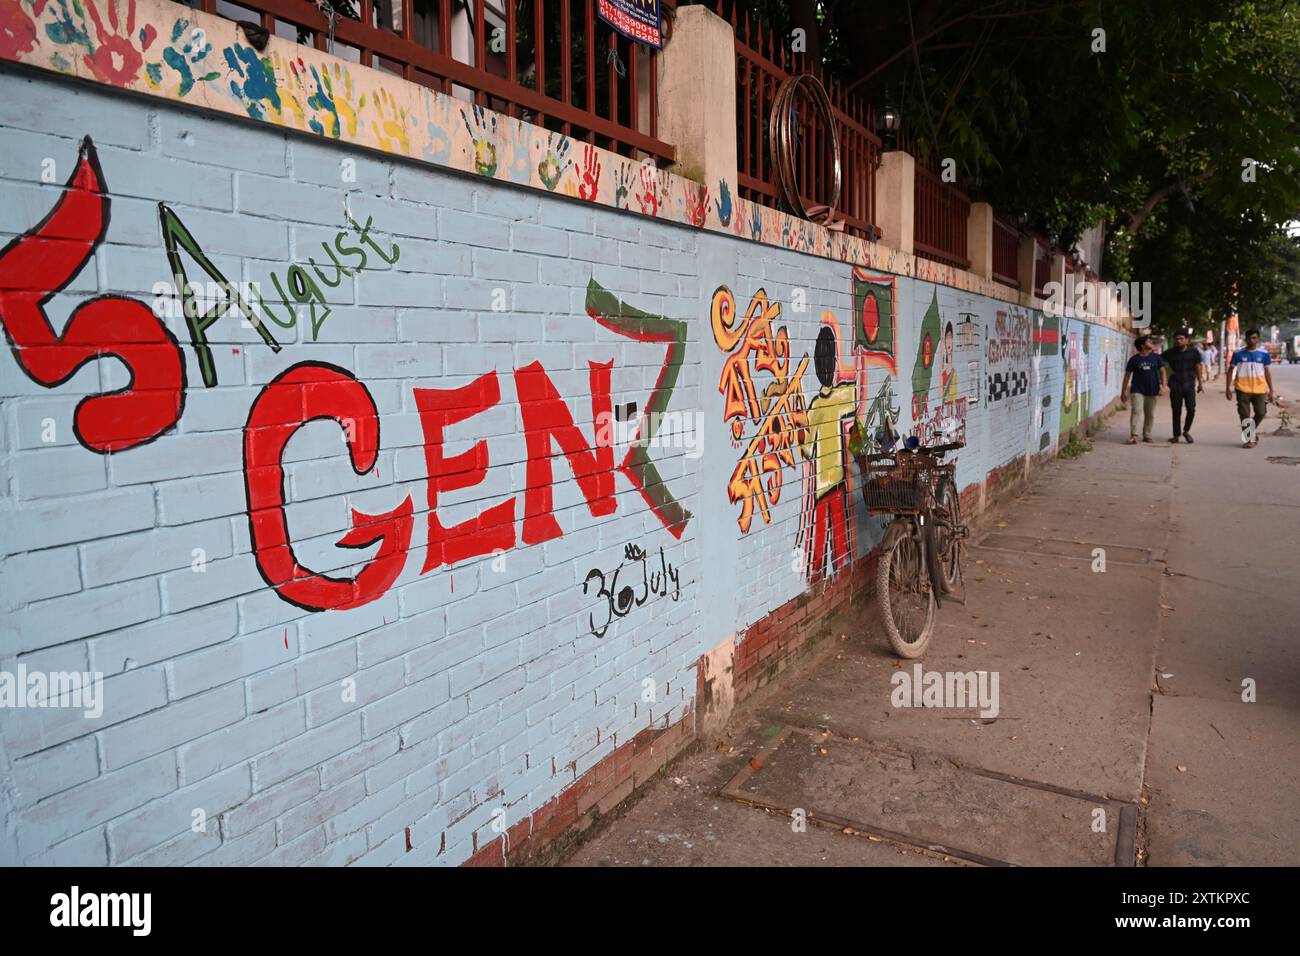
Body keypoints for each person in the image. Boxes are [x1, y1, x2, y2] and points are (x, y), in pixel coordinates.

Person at [1226, 328, 1275, 448]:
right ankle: (1249, 440)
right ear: (1246, 339)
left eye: (1254, 338)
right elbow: (1230, 370)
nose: (1251, 340)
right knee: (1244, 414)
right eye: (1249, 338)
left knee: (1261, 412)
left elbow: (1267, 371)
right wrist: (1228, 388)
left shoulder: (1264, 354)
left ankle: (1250, 431)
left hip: (1259, 389)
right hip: (1242, 389)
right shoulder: (1238, 354)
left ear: (1257, 339)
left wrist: (1271, 390)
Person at [1121, 335, 1165, 444]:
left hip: (1153, 390)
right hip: (1137, 389)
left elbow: (1163, 372)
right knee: (1136, 410)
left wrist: (1163, 387)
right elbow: (1127, 376)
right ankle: (1134, 435)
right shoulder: (1134, 359)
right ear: (1142, 345)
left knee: (1150, 414)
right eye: (1148, 341)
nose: (1150, 342)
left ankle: (1147, 435)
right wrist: (1124, 391)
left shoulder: (1156, 358)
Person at [1163, 329, 1204, 443]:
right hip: (1175, 385)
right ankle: (1176, 435)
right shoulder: (1170, 353)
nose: (1179, 341)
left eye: (1181, 339)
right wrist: (1165, 379)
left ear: (1187, 340)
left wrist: (1200, 383)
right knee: (1176, 411)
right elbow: (1159, 363)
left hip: (1189, 385)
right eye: (1177, 339)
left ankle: (1186, 431)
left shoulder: (1194, 352)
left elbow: (1198, 366)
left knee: (1191, 409)